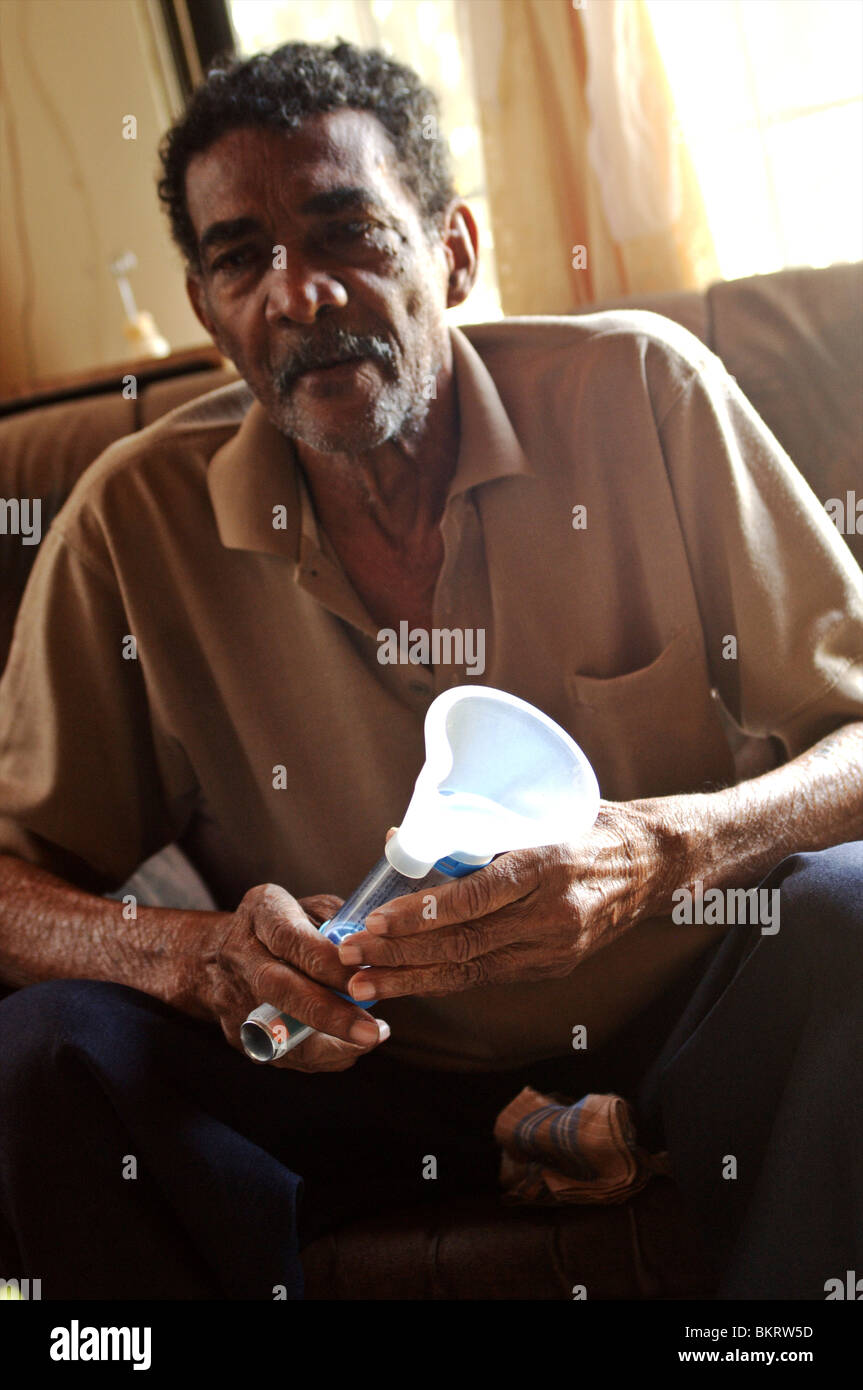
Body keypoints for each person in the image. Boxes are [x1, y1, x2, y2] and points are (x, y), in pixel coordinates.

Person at [0, 40, 860, 1301]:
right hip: (353, 1078)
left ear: (453, 250)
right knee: (46, 1051)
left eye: (347, 234)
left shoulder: (643, 390)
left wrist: (668, 851)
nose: (299, 295)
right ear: (206, 308)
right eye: (242, 259)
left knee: (850, 912)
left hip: (691, 1021)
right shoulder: (130, 523)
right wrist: (192, 957)